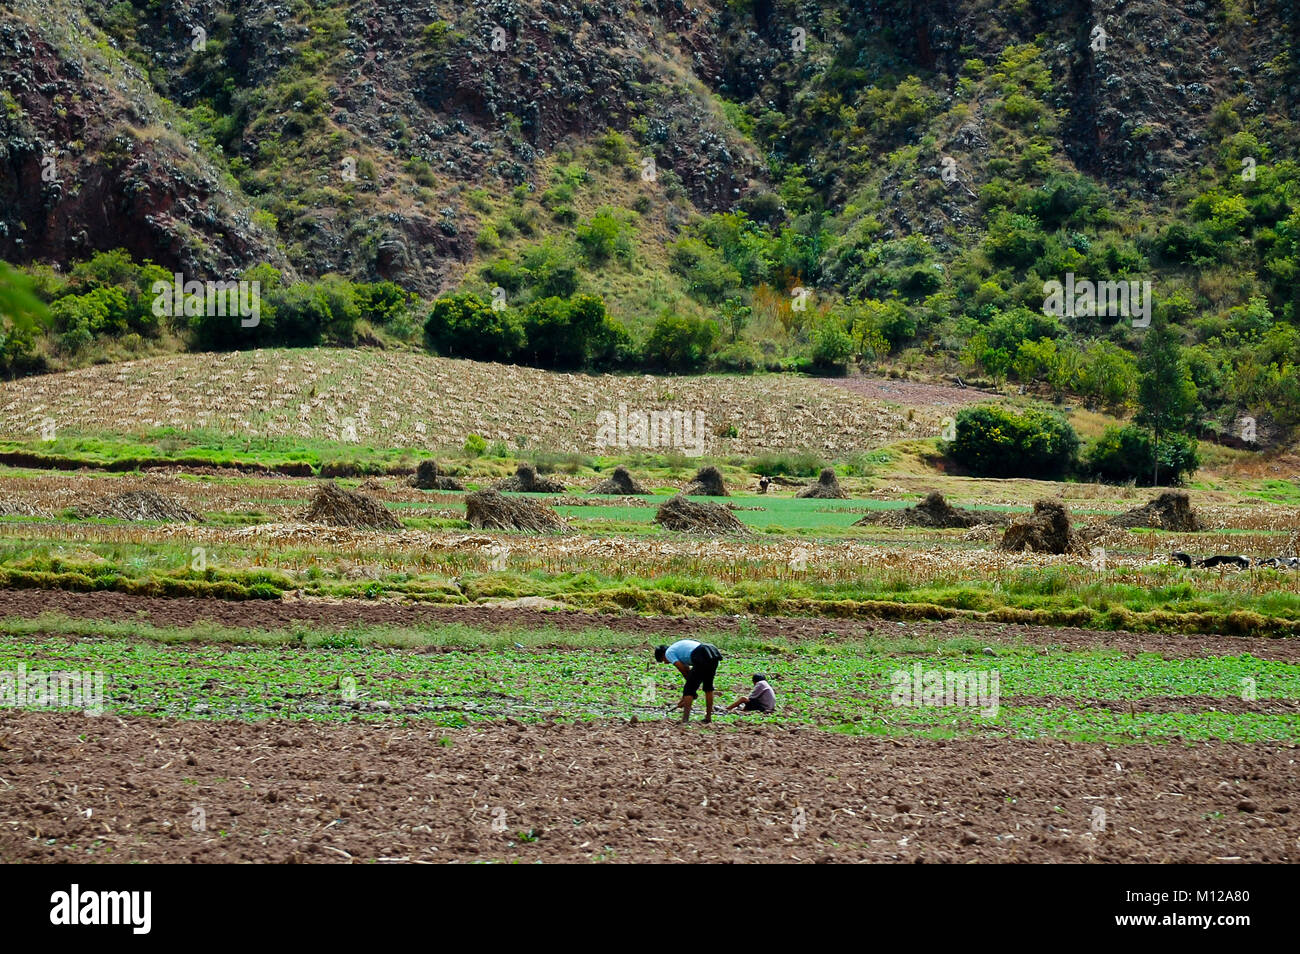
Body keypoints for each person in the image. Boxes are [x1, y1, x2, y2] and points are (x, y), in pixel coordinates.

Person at [654, 640, 723, 723]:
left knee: (688, 690)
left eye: (663, 660)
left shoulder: (669, 653)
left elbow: (682, 669)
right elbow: (687, 670)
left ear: (662, 655)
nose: (665, 663)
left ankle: (685, 720)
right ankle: (708, 718)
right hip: (711, 651)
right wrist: (693, 690)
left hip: (701, 653)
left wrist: (689, 693)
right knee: (708, 687)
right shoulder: (676, 648)